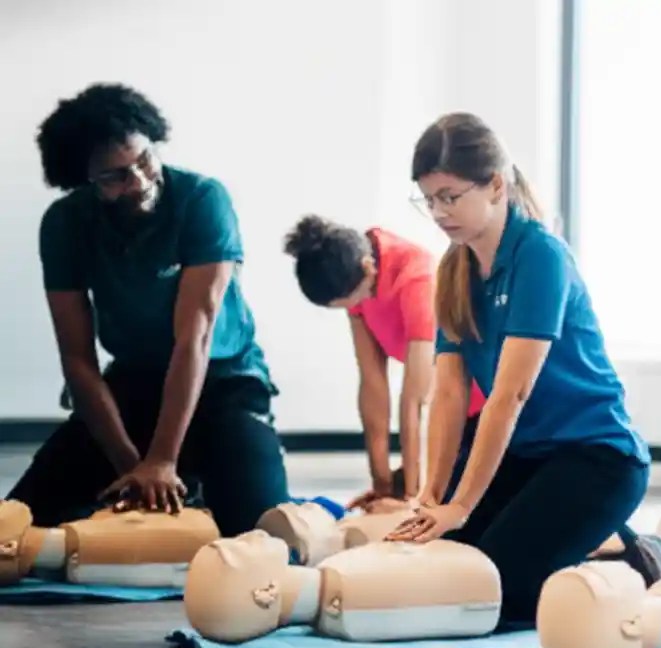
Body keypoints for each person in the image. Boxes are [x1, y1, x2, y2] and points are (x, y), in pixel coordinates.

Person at [383, 112, 650, 624]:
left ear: (495, 185)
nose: (439, 213)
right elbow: (449, 394)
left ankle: (622, 552)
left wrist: (461, 506)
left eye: (450, 196)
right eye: (429, 200)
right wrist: (431, 496)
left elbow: (509, 397)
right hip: (528, 457)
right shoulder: (455, 268)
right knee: (447, 566)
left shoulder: (539, 255)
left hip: (597, 459)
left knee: (500, 590)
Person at [6, 83, 289, 536]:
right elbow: (77, 359)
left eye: (144, 160)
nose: (138, 181)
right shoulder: (64, 224)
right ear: (82, 180)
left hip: (224, 383)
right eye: (114, 176)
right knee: (19, 524)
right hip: (134, 384)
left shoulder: (201, 199)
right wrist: (130, 467)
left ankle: (196, 476)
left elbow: (194, 338)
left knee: (261, 532)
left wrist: (161, 460)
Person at [283, 216, 486, 509]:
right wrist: (382, 485)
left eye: (355, 300)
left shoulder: (416, 278)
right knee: (395, 497)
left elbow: (416, 399)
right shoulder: (352, 271)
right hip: (448, 410)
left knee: (450, 507)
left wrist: (413, 497)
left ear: (369, 268)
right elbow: (372, 383)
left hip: (479, 407)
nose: (356, 307)